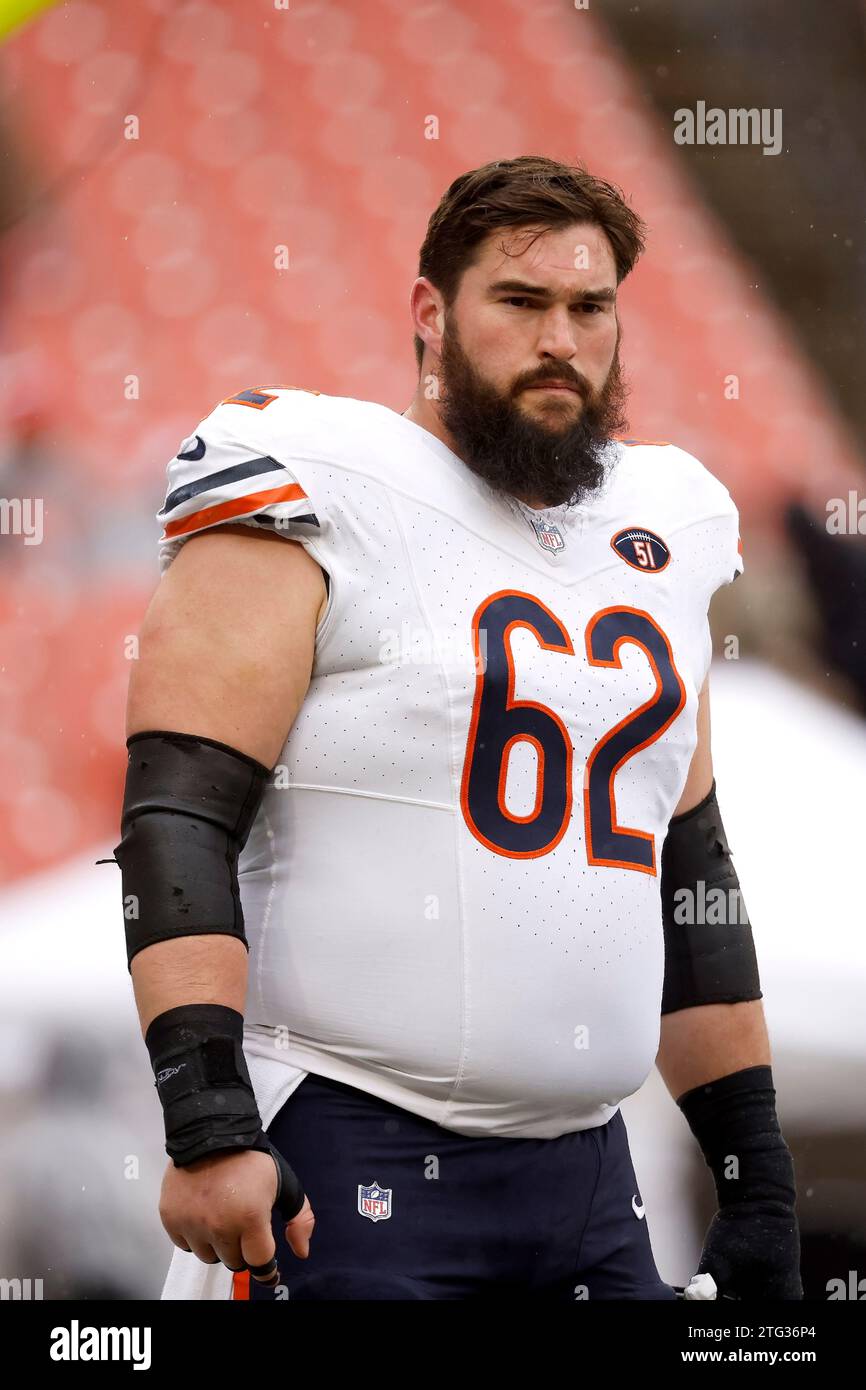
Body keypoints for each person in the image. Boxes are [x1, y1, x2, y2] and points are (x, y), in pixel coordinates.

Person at [116, 155, 802, 1301]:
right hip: (346, 1144)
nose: (559, 339)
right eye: (520, 302)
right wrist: (205, 1117)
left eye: (589, 308)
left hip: (587, 1171)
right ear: (430, 314)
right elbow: (176, 817)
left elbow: (691, 877)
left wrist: (757, 1178)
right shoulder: (317, 479)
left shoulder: (661, 521)